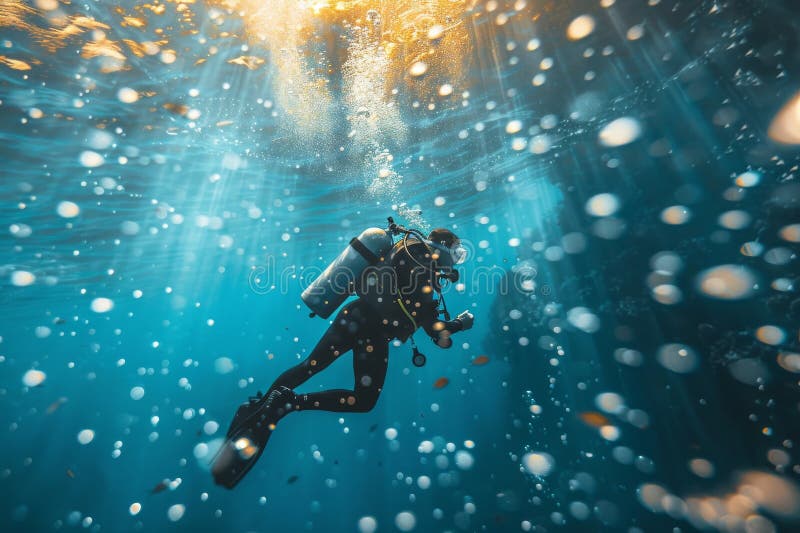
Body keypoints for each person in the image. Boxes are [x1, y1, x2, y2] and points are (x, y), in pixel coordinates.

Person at [212, 225, 474, 488]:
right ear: (443, 247)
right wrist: (461, 323)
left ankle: (262, 405)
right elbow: (435, 331)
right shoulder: (425, 269)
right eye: (456, 252)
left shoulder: (406, 249)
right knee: (363, 399)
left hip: (354, 315)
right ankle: (288, 404)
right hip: (373, 332)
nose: (456, 258)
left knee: (309, 367)